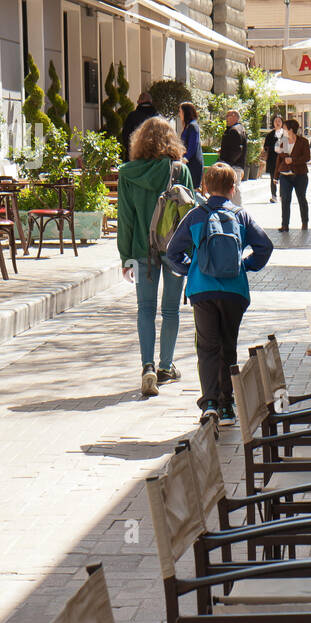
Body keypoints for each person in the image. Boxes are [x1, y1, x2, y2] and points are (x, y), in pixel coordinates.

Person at [165, 161, 273, 426]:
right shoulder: (241, 216)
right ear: (232, 188)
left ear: (204, 187)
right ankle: (228, 408)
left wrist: (191, 269)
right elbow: (265, 247)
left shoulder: (195, 215)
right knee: (228, 346)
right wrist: (245, 266)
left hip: (203, 290)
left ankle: (210, 404)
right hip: (234, 291)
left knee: (207, 347)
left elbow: (172, 252)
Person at [117, 117, 195, 397]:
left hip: (140, 249)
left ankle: (147, 366)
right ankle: (166, 366)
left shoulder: (127, 173)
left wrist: (125, 257)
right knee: (171, 309)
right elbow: (191, 214)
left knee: (145, 309)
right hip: (174, 249)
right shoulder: (179, 170)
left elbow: (125, 218)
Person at [277, 117, 311, 231]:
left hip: (300, 174)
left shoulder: (303, 142)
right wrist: (275, 175)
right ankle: (285, 224)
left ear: (291, 130)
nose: (283, 131)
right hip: (285, 174)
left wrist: (293, 160)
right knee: (285, 199)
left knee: (301, 198)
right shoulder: (283, 141)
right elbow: (279, 156)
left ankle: (305, 222)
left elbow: (306, 157)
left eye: (285, 129)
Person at [218, 108, 247, 202]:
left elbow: (237, 150)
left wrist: (227, 163)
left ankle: (238, 211)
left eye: (228, 116)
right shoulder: (239, 129)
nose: (226, 118)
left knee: (234, 189)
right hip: (235, 165)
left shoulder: (234, 130)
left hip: (233, 166)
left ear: (234, 117)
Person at [121, 90, 158, 162]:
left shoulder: (132, 116)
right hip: (154, 158)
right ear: (151, 101)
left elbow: (125, 136)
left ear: (139, 101)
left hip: (135, 156)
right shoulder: (157, 117)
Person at [261, 113, 286, 203]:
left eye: (279, 121)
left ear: (282, 122)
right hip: (272, 159)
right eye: (276, 121)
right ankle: (273, 195)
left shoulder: (286, 134)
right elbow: (266, 146)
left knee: (283, 178)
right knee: (273, 178)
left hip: (283, 159)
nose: (277, 123)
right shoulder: (270, 135)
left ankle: (282, 195)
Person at [178, 101, 203, 190]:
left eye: (180, 111)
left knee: (191, 190)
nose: (179, 114)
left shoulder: (193, 126)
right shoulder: (188, 125)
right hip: (188, 162)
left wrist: (186, 158)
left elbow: (193, 144)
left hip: (192, 163)